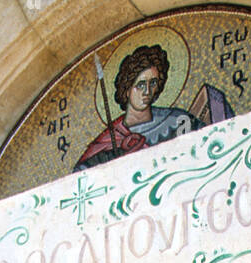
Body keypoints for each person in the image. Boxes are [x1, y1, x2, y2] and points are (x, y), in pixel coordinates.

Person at [74, 44, 202, 171]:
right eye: (140, 85)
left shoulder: (177, 121)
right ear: (127, 89)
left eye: (153, 83)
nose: (147, 91)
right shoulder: (108, 141)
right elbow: (79, 177)